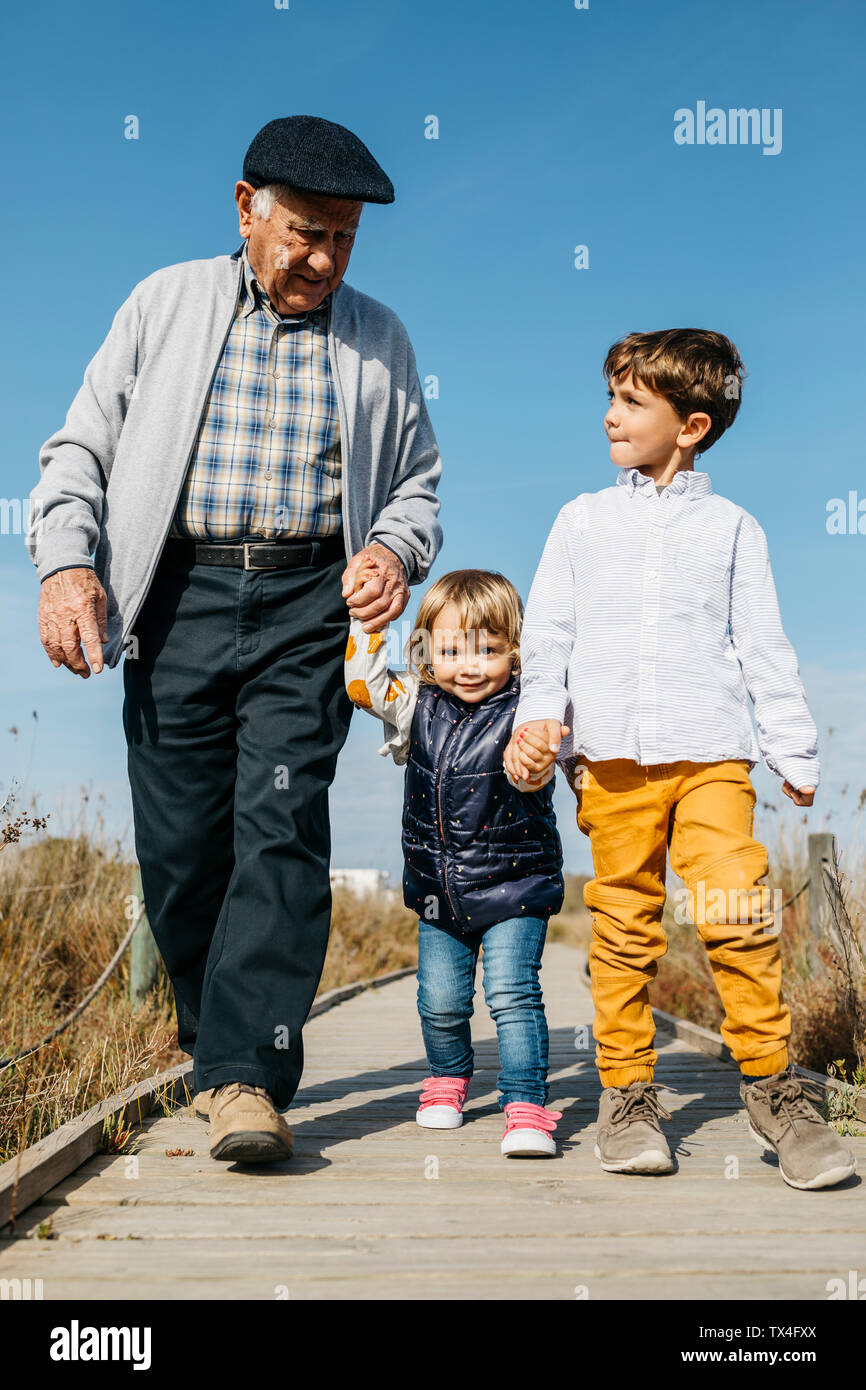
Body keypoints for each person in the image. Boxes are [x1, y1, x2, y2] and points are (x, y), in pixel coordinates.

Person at [26, 115, 442, 1164]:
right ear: (246, 205)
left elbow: (416, 486)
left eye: (343, 238)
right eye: (305, 231)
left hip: (307, 607)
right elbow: (78, 446)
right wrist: (67, 564)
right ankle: (207, 1039)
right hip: (176, 600)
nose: (323, 259)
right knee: (180, 854)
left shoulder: (379, 337)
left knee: (282, 829)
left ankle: (247, 1074)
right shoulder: (162, 302)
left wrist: (393, 550)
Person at [504, 328, 856, 1190]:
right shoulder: (580, 521)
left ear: (691, 425)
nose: (610, 415)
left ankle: (775, 1090)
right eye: (612, 396)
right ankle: (626, 1096)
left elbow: (763, 645)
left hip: (712, 758)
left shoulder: (734, 529)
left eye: (631, 401)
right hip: (612, 760)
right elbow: (548, 633)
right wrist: (542, 714)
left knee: (737, 909)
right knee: (624, 926)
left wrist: (791, 742)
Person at [344, 568, 565, 1155]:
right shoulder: (415, 705)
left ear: (514, 652)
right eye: (449, 650)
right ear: (424, 652)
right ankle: (448, 1079)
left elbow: (549, 755)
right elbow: (362, 686)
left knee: (512, 993)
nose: (469, 665)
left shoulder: (528, 713)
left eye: (488, 650)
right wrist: (373, 624)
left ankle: (526, 1103)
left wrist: (539, 756)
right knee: (440, 999)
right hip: (438, 891)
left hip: (516, 888)